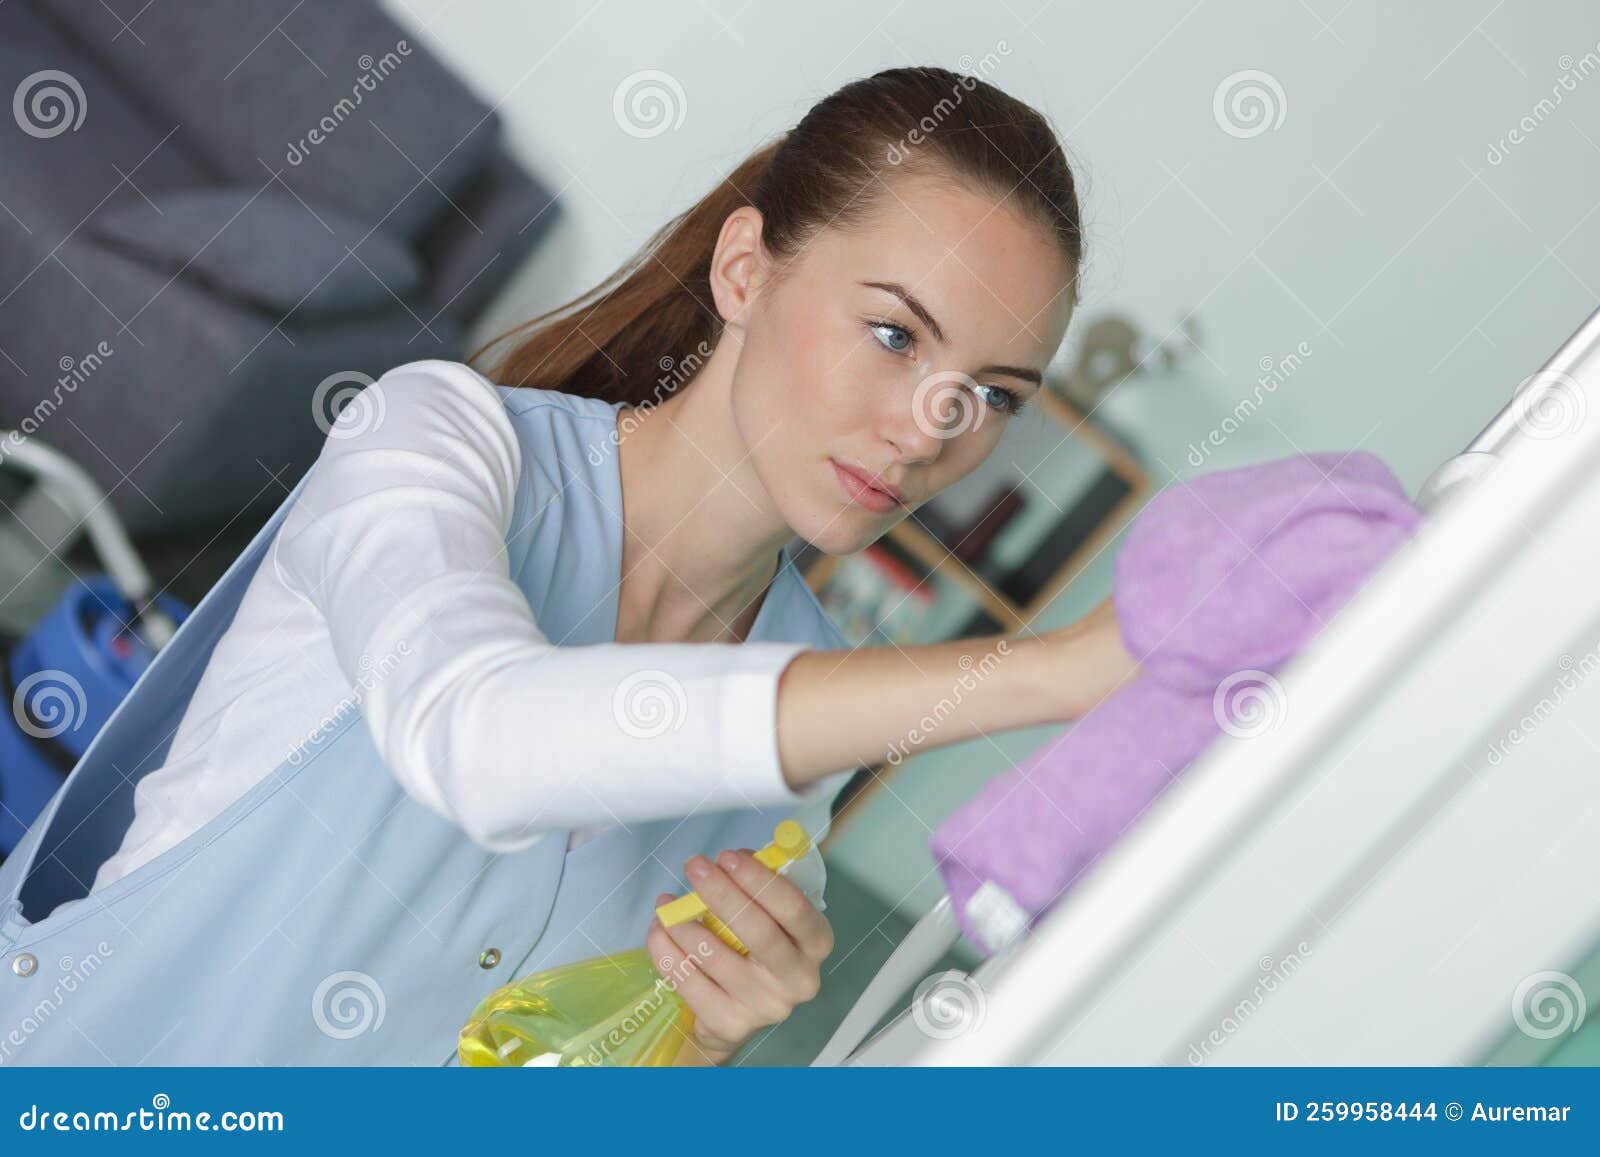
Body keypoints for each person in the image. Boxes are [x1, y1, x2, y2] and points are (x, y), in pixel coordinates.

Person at [0, 66, 1137, 1066]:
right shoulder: (438, 441)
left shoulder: (799, 744)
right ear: (744, 270)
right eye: (895, 335)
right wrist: (1051, 674)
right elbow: (484, 737)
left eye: (994, 396)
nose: (933, 423)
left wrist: (699, 1037)